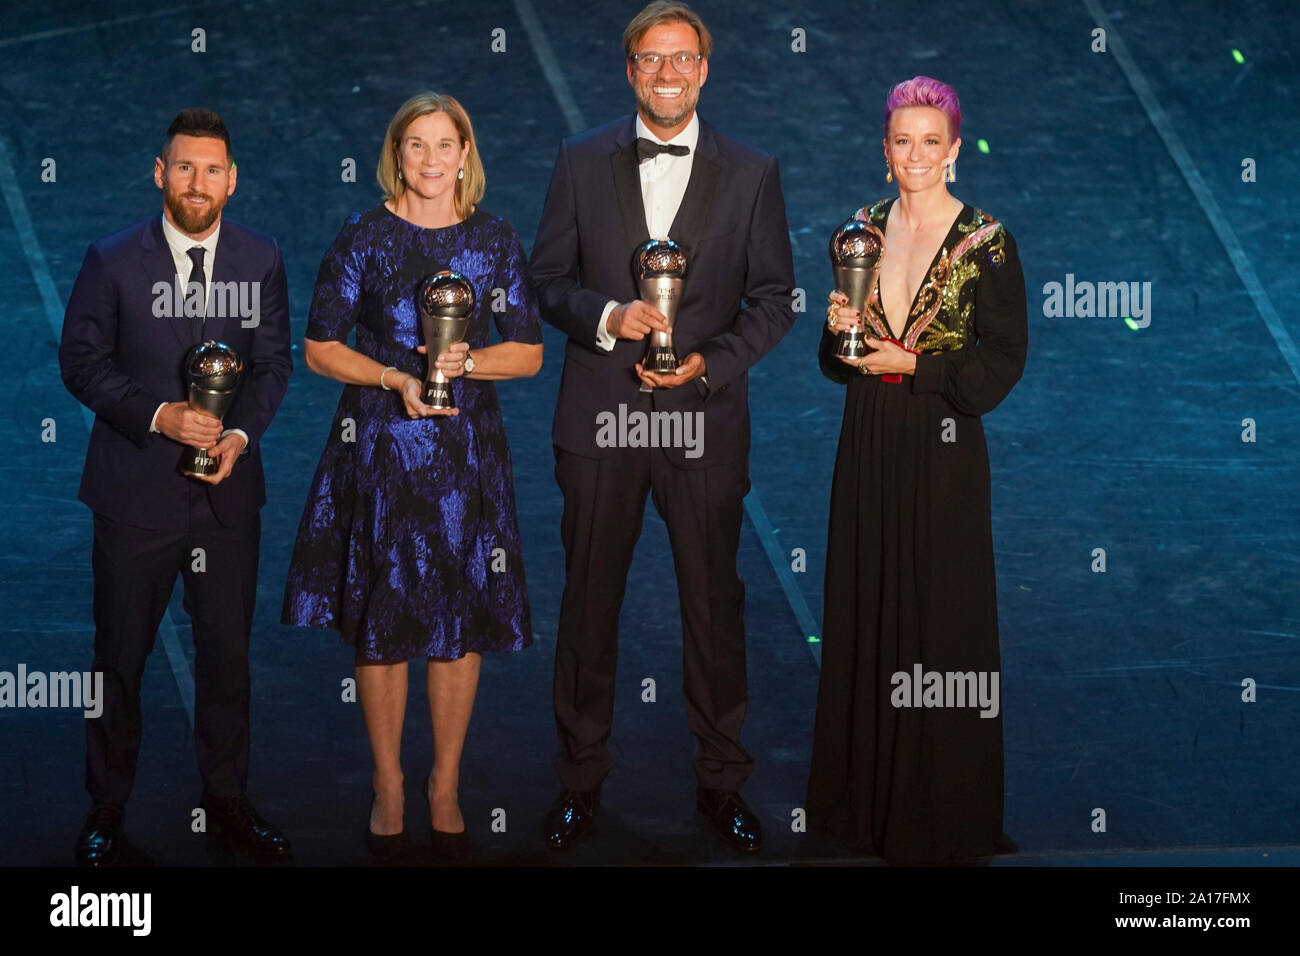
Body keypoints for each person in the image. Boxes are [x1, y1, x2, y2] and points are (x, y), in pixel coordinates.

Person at [530, 1, 796, 854]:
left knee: (714, 609)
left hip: (701, 423)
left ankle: (722, 785)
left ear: (705, 69)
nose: (668, 73)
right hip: (600, 417)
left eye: (683, 58)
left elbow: (774, 299)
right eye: (652, 59)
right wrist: (609, 315)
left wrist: (708, 366)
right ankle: (579, 781)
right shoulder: (579, 160)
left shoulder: (753, 172)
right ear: (631, 70)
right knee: (589, 608)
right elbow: (546, 280)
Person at [281, 92, 542, 860]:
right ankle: (390, 781)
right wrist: (397, 376)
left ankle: (447, 784)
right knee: (385, 619)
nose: (431, 160)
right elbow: (321, 346)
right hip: (382, 446)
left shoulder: (493, 239)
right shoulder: (365, 235)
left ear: (467, 154)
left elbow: (526, 352)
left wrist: (467, 363)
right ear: (398, 156)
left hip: (465, 455)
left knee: (459, 622)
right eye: (416, 146)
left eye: (445, 144)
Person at [59, 108, 294, 865]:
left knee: (227, 658)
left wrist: (238, 435)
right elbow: (82, 363)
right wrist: (160, 415)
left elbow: (273, 367)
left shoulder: (261, 259)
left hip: (227, 498)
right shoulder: (112, 259)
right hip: (136, 499)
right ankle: (106, 808)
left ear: (233, 179)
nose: (199, 183)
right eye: (184, 168)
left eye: (213, 169)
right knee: (118, 661)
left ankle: (228, 802)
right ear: (160, 173)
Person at [806, 76, 1028, 865]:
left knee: (942, 615)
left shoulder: (987, 242)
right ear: (885, 149)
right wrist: (841, 335)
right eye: (903, 141)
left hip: (943, 444)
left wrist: (915, 366)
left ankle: (944, 809)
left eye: (931, 142)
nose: (916, 155)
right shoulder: (857, 232)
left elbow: (1003, 361)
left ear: (955, 151)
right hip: (867, 439)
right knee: (865, 602)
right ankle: (865, 801)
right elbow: (838, 364)